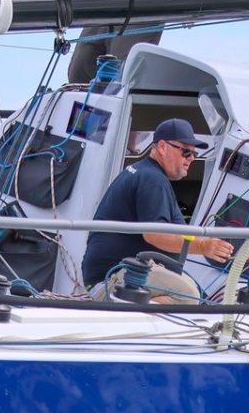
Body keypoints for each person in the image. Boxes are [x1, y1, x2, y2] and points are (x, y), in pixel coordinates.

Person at [82, 117, 234, 297]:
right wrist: (203, 246)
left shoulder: (143, 172)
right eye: (186, 152)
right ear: (162, 147)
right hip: (114, 277)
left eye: (194, 154)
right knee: (189, 296)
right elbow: (155, 234)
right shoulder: (152, 180)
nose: (191, 159)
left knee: (200, 295)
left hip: (112, 274)